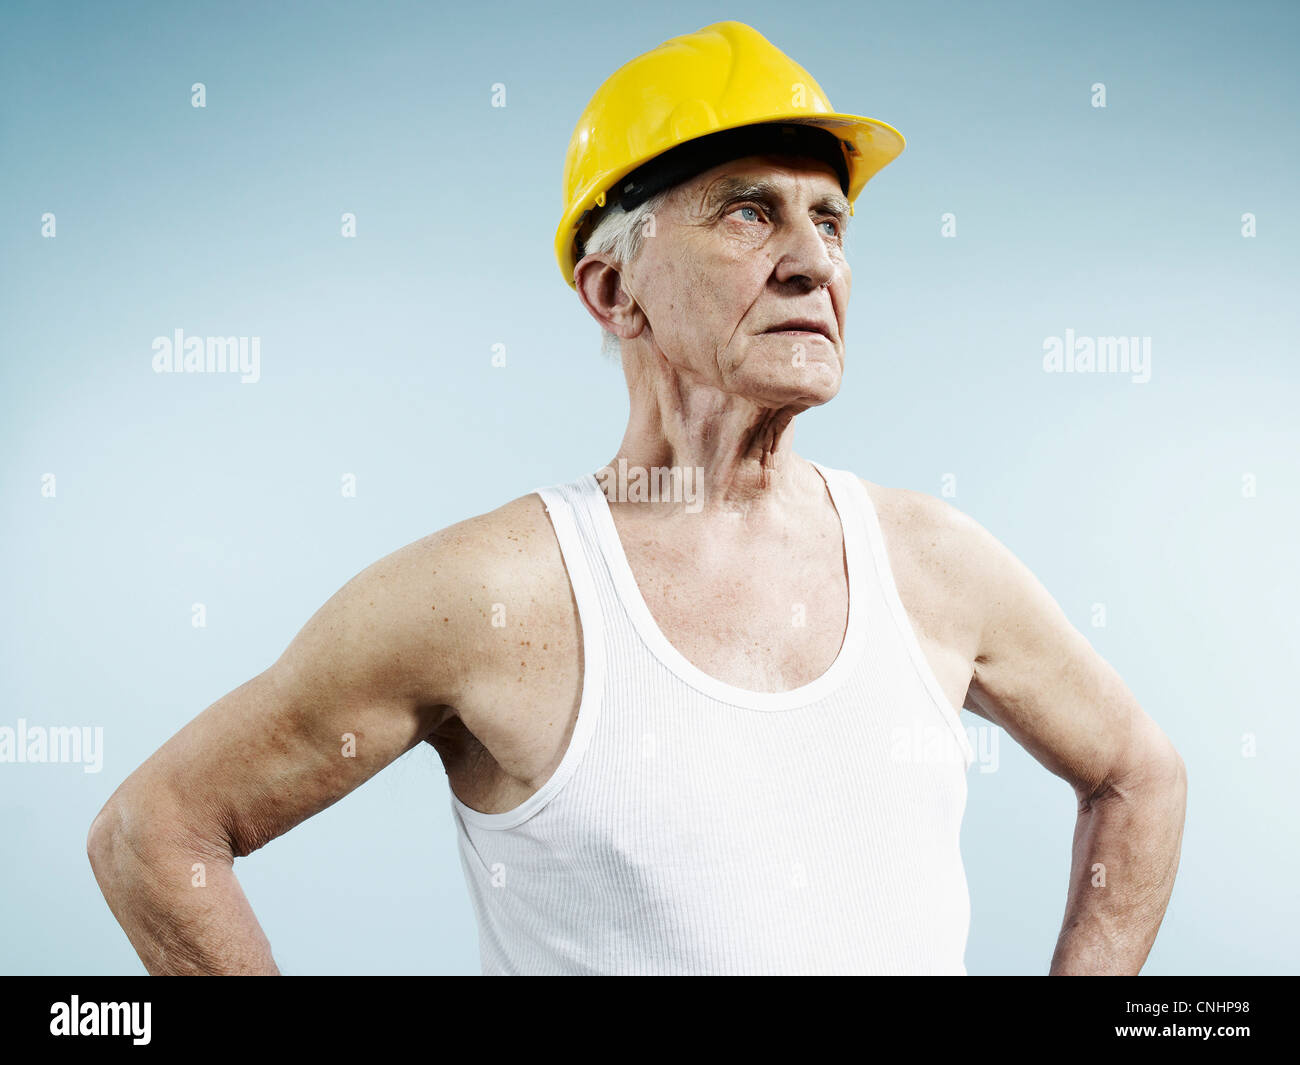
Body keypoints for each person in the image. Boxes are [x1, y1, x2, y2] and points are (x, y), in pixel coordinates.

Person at [87, 20, 1186, 975]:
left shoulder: (934, 563)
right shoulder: (489, 595)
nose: (813, 262)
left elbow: (1139, 774)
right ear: (614, 291)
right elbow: (155, 831)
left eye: (832, 221)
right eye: (748, 214)